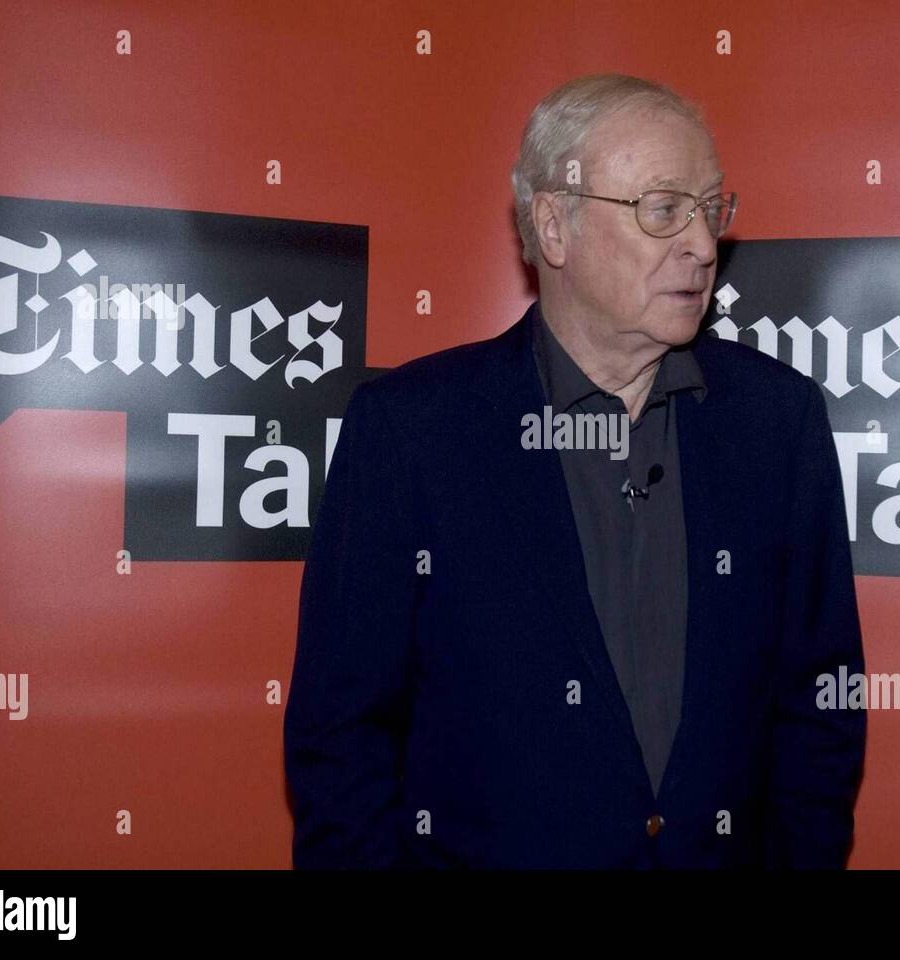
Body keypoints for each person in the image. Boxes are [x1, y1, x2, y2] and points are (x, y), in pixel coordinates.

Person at [283, 72, 866, 869]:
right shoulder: (413, 430)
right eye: (665, 210)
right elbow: (341, 738)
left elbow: (820, 707)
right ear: (554, 225)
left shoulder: (777, 422)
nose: (702, 245)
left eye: (711, 209)